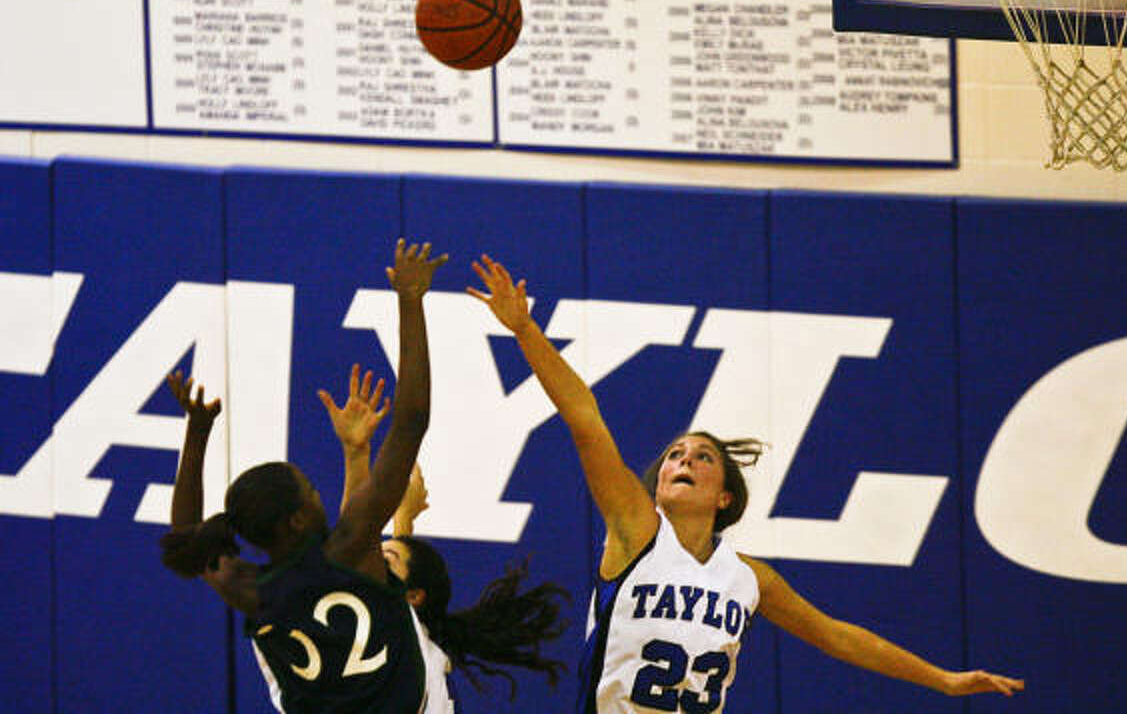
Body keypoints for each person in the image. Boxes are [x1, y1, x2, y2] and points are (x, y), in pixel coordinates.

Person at [467, 254, 1026, 713]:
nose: (682, 460)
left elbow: (837, 636)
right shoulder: (635, 529)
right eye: (673, 455)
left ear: (724, 496)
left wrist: (944, 681)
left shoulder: (748, 578)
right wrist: (525, 331)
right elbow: (584, 416)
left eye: (702, 457)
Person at [160, 238, 447, 714]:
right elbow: (412, 418)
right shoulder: (351, 546)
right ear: (296, 519)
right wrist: (411, 302)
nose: (319, 494)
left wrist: (196, 434)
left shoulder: (251, 590)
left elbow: (186, 539)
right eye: (311, 491)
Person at [317, 364, 570, 708]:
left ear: (413, 596)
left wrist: (357, 454)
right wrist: (402, 518)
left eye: (385, 556)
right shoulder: (414, 637)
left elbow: (356, 548)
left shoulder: (398, 634)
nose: (370, 557)